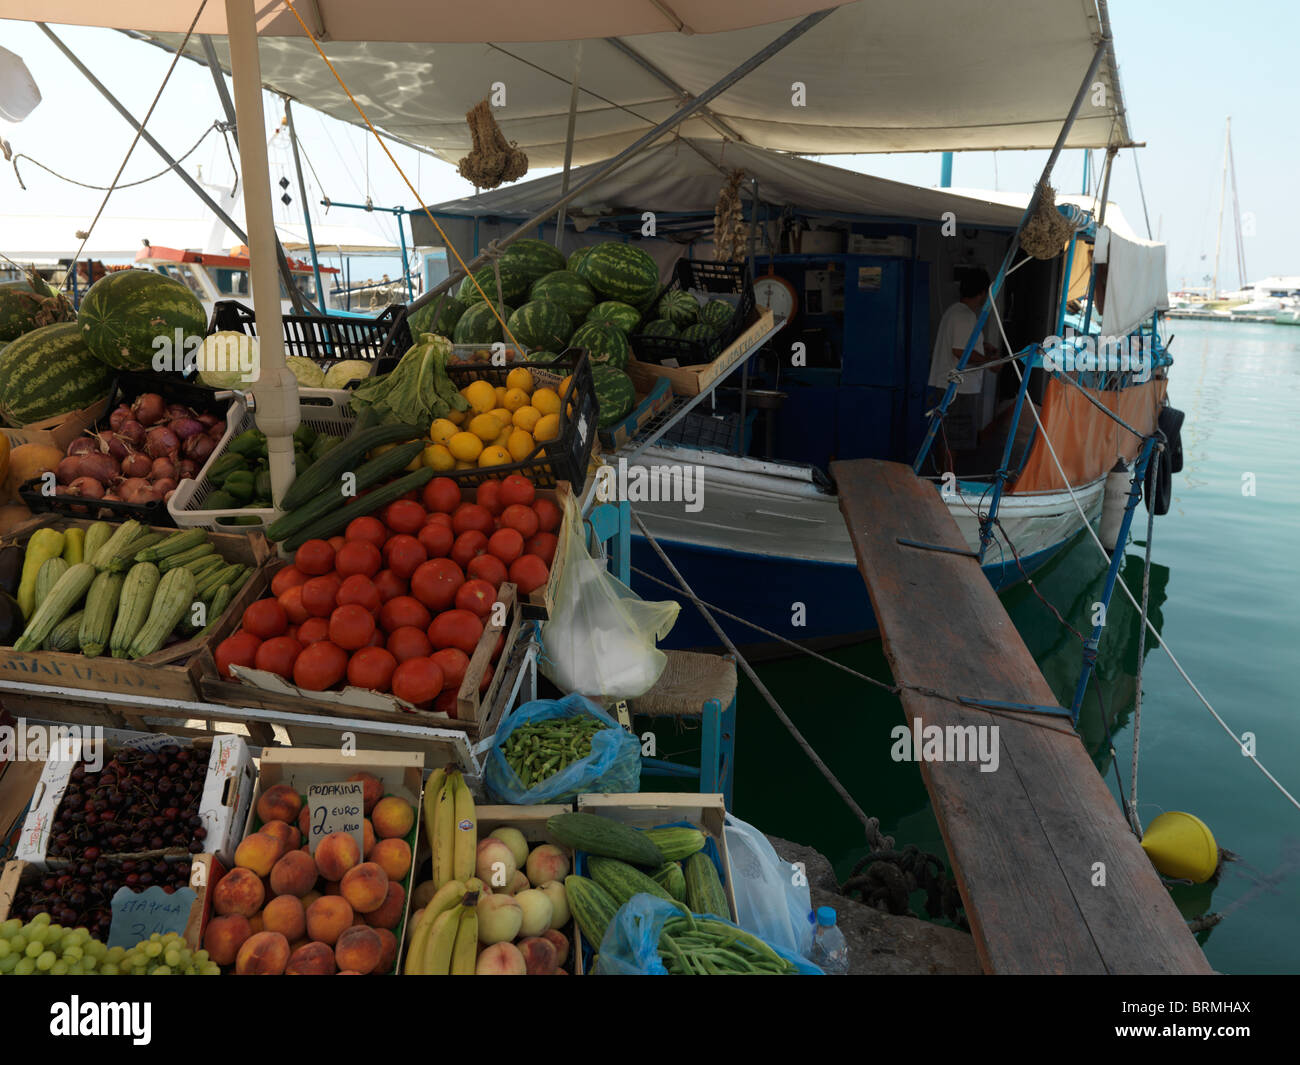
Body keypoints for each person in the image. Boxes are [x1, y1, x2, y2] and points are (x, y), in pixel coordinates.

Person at [927, 267, 1000, 454]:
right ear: (983, 292)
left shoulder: (955, 311)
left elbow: (965, 344)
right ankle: (949, 480)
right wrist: (989, 364)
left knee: (949, 437)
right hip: (958, 388)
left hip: (951, 385)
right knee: (954, 440)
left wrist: (984, 345)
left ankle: (947, 478)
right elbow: (959, 351)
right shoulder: (964, 316)